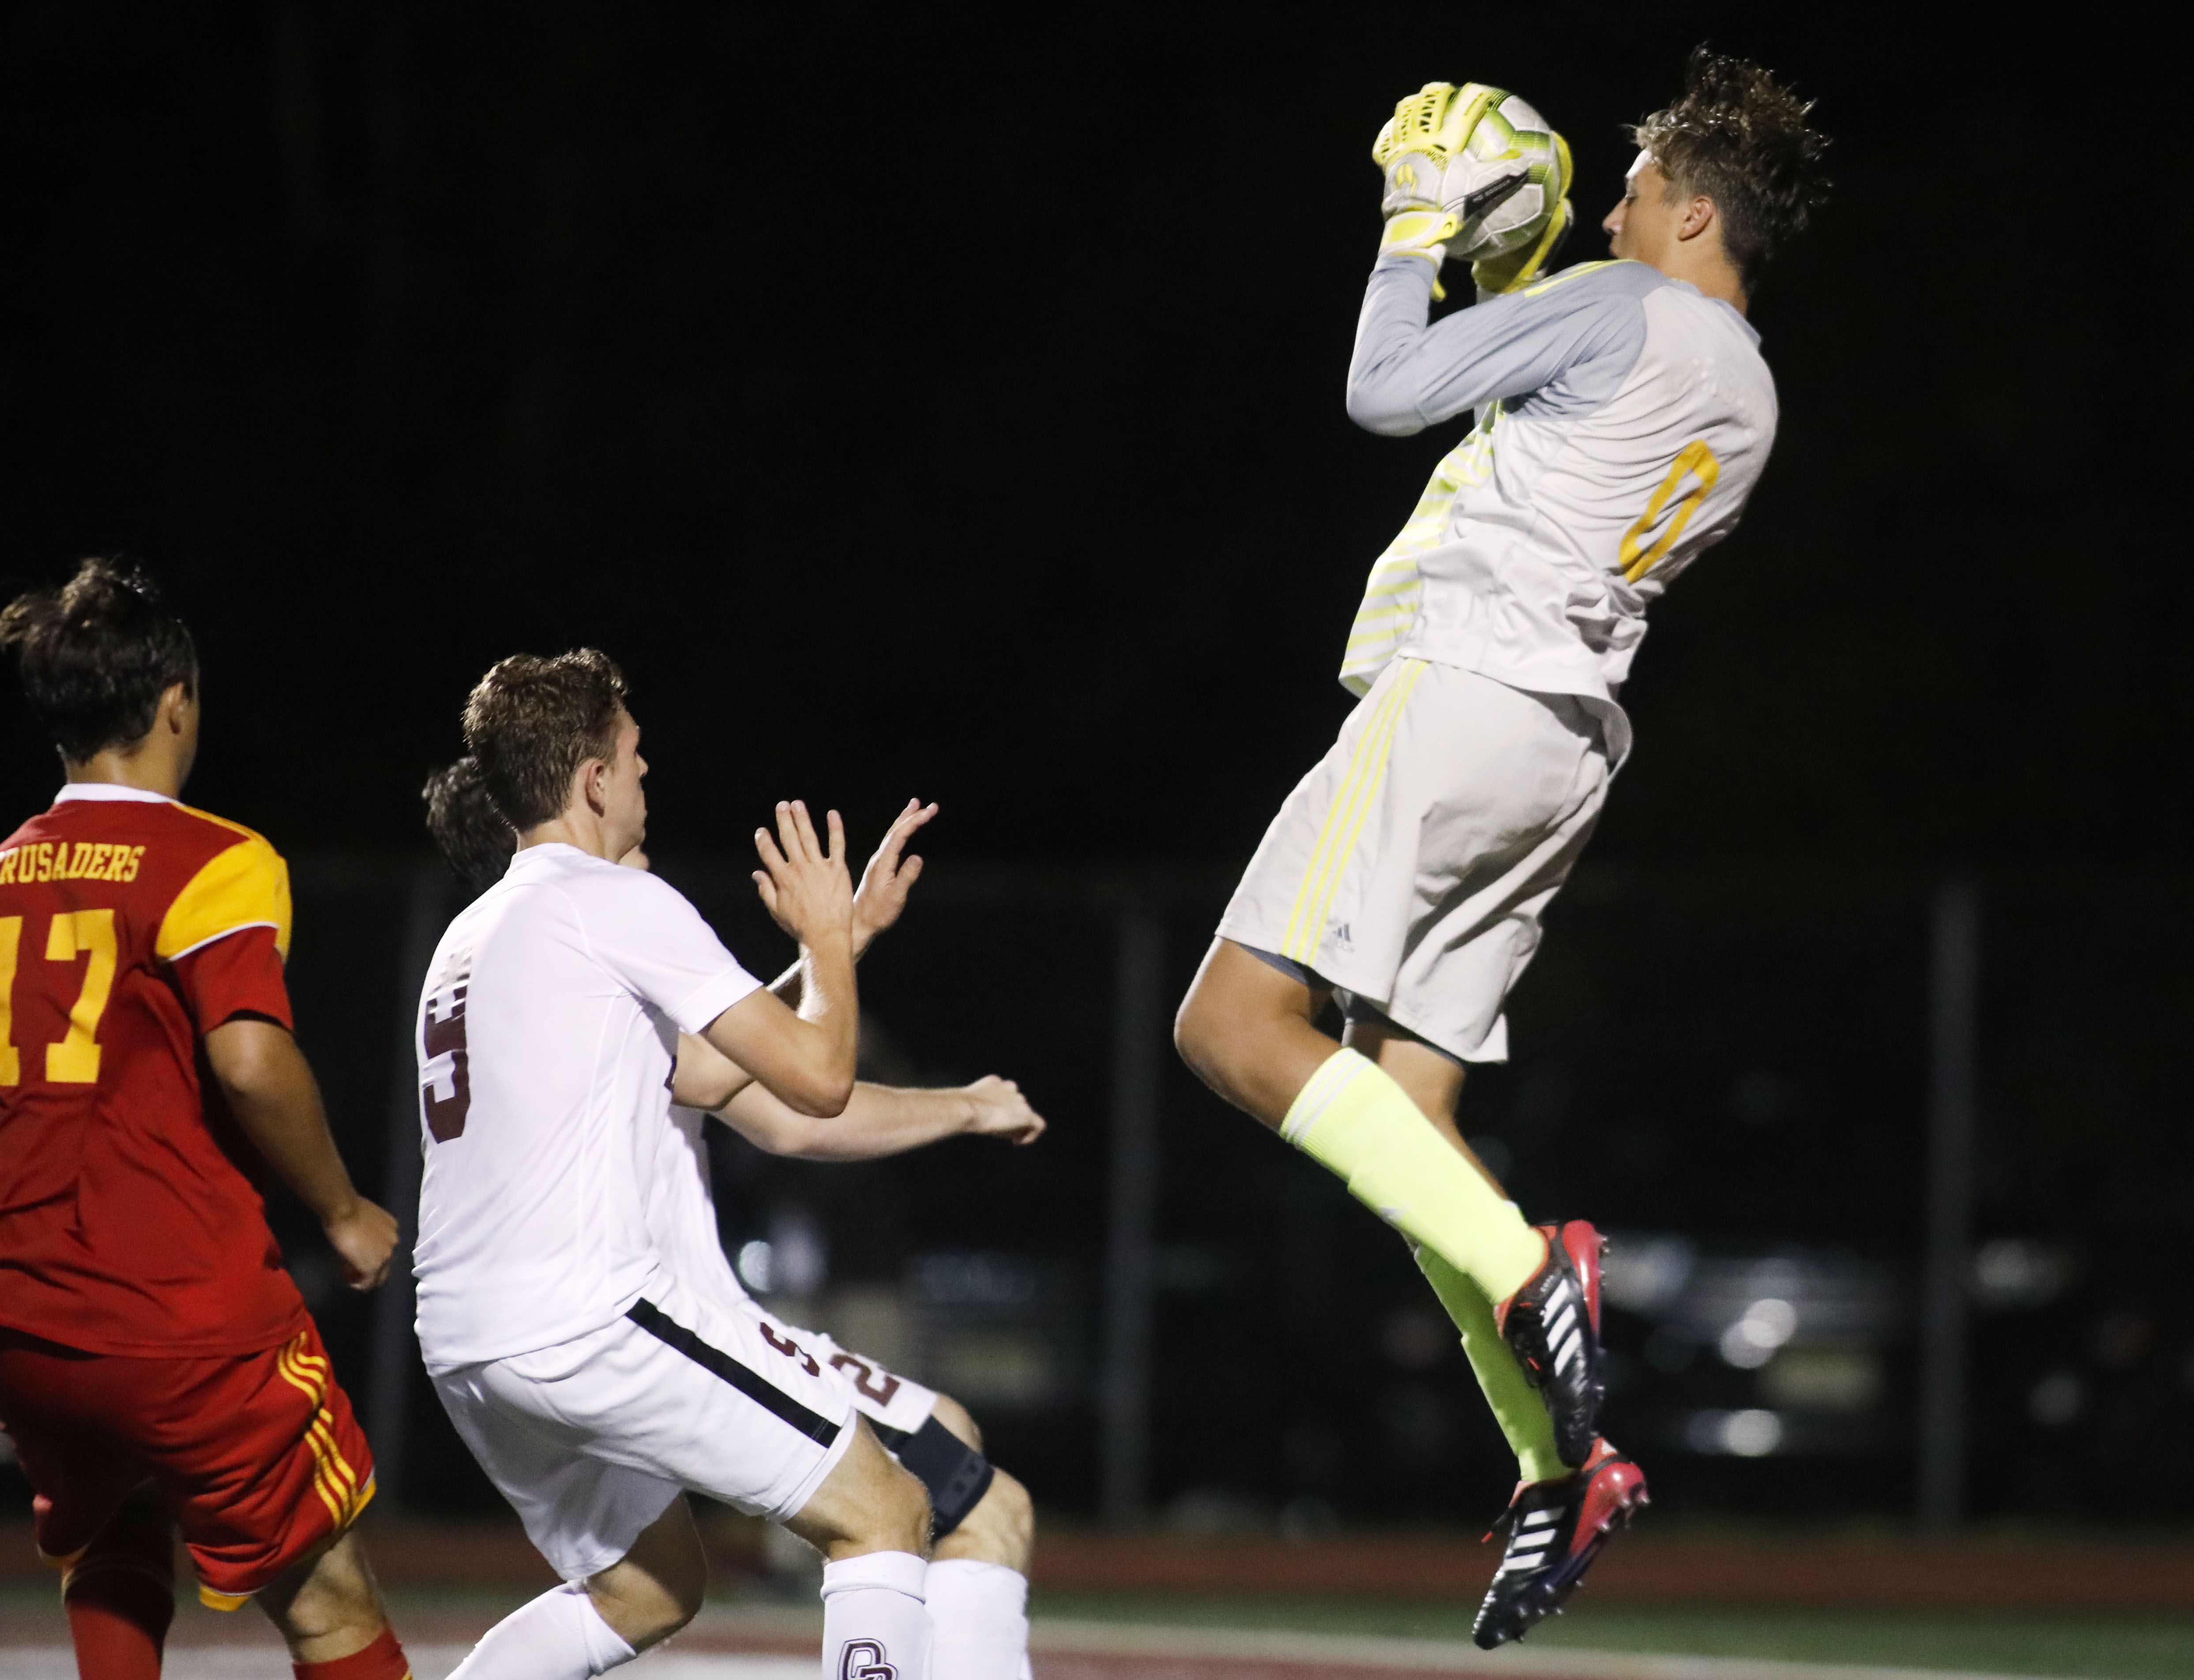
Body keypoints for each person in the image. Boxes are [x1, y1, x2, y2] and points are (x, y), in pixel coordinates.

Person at [1173, 52, 1829, 1645]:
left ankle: (1536, 1261)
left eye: (1627, 190)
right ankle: (1559, 1457)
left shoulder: (1620, 302)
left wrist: (1416, 228)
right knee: (1406, 1118)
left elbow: (1384, 389)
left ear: (1686, 206)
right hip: (1567, 746)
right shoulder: (1751, 390)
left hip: (1465, 691)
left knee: (1229, 1027)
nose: (1603, 212)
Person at [423, 755, 1046, 1680]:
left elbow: (749, 1089)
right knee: (930, 1506)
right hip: (640, 1318)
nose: (643, 787)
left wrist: (957, 1100)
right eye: (624, 765)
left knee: (649, 1588)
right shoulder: (600, 920)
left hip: (501, 1324)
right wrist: (834, 940)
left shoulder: (502, 960)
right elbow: (800, 1090)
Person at [0, 558, 413, 1680]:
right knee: (329, 1596)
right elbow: (247, 1057)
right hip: (178, 1315)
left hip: (27, 1317)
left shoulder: (3, 874)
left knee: (111, 1529)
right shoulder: (215, 858)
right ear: (176, 699)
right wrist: (341, 1209)